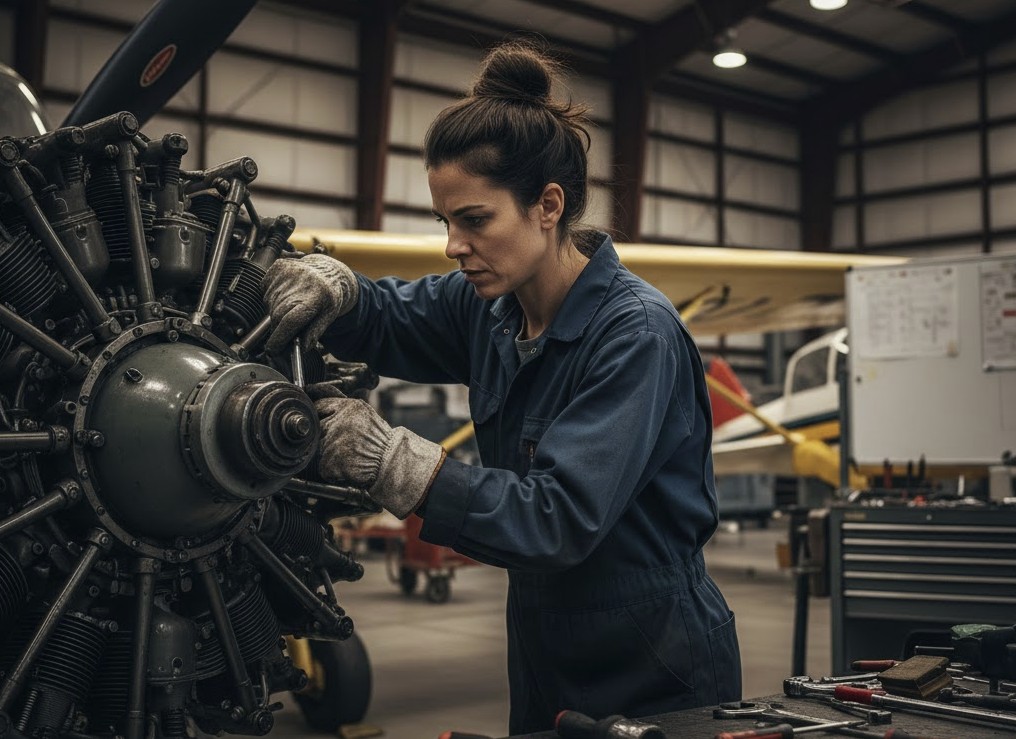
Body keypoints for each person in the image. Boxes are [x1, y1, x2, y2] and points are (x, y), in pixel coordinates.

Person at [261, 40, 742, 735]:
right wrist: (334, 286)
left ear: (548, 205)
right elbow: (391, 318)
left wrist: (391, 460)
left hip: (656, 663)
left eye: (474, 220)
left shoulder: (635, 333)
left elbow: (555, 518)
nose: (453, 245)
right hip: (545, 650)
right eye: (444, 222)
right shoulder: (488, 306)